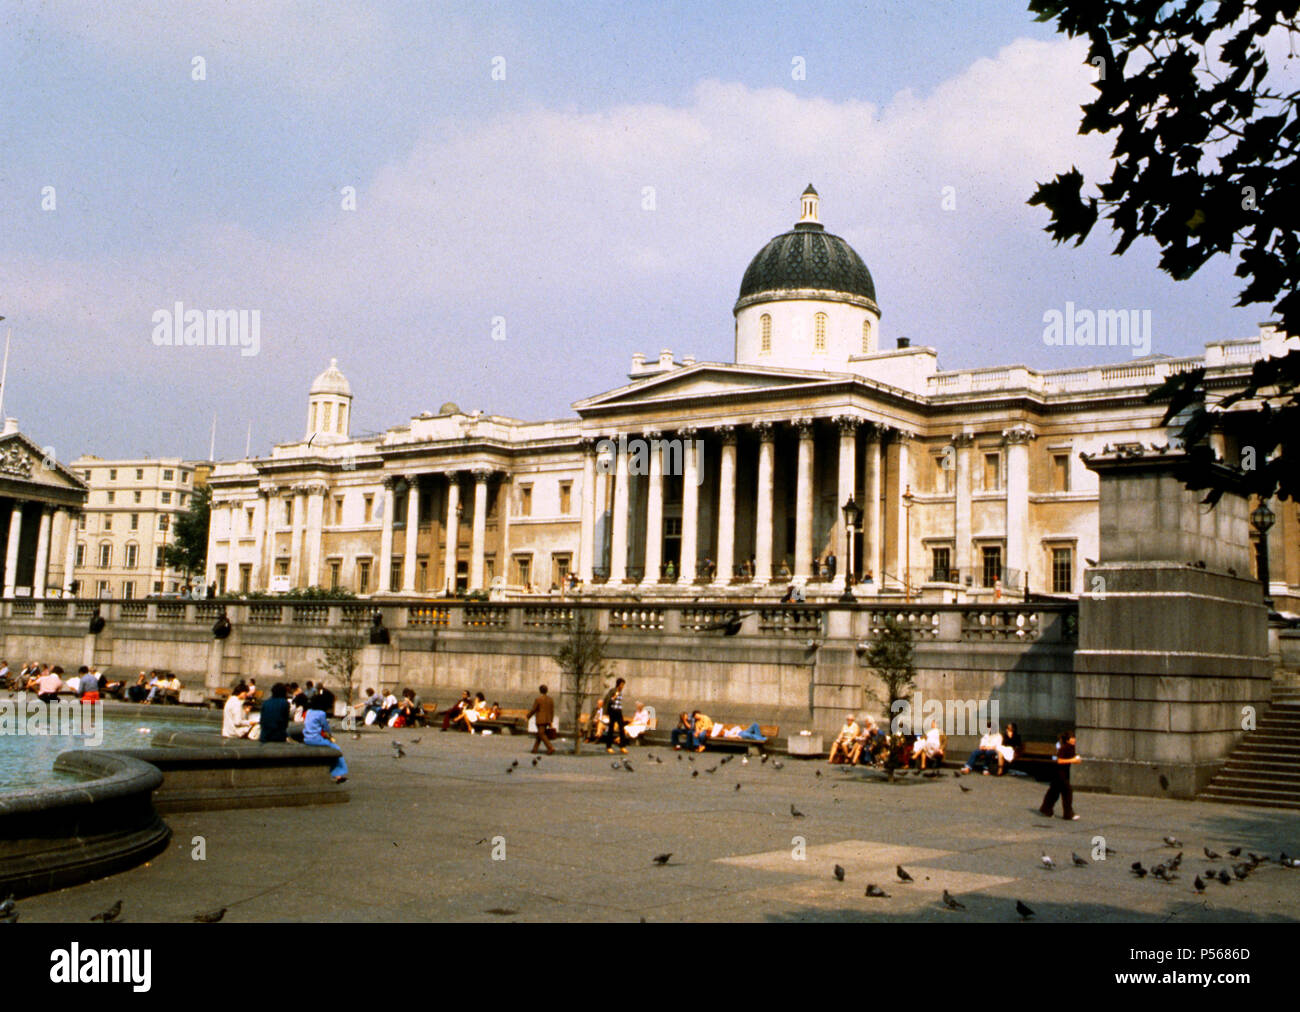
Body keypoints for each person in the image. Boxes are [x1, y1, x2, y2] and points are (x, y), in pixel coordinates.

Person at [303, 696, 348, 783]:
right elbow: (326, 727)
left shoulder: (308, 712)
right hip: (316, 739)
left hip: (306, 739)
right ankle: (338, 774)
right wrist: (330, 736)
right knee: (336, 749)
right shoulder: (321, 713)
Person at [1039, 730, 1081, 820]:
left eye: (1074, 737)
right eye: (1072, 738)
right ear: (1067, 740)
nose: (1074, 739)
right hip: (1059, 773)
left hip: (1062, 773)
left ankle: (1046, 809)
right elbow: (1059, 761)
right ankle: (1068, 814)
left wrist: (1076, 759)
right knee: (1067, 792)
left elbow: (1076, 759)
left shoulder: (1071, 747)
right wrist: (1072, 760)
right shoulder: (1064, 748)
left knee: (1054, 792)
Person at [526, 684, 556, 755]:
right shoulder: (550, 699)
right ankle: (535, 749)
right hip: (547, 719)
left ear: (540, 691)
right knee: (540, 733)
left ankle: (550, 747)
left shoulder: (538, 699)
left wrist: (528, 716)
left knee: (541, 734)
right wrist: (551, 720)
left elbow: (534, 709)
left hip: (540, 719)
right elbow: (552, 710)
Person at [602, 677, 628, 755]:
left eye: (623, 685)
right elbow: (607, 700)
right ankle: (608, 746)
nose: (623, 686)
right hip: (613, 711)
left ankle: (622, 746)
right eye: (622, 684)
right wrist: (614, 697)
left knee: (621, 729)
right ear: (618, 684)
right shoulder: (613, 691)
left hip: (619, 711)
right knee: (611, 729)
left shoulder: (621, 692)